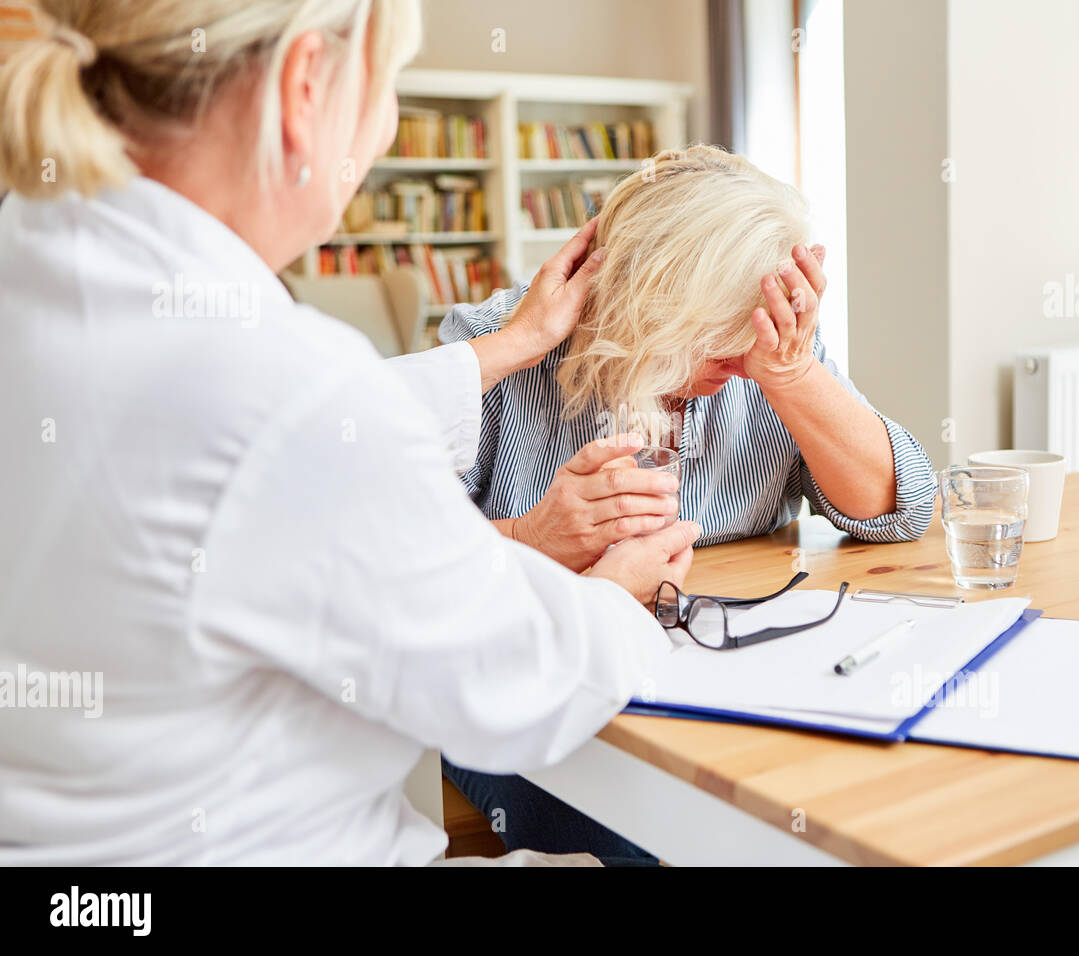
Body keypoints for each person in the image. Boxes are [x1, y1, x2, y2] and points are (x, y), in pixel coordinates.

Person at [0, 0, 697, 866]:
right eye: (390, 82)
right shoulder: (275, 387)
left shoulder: (40, 253)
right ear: (303, 88)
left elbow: (290, 444)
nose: (387, 120)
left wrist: (513, 343)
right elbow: (518, 688)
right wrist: (619, 598)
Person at [439, 145, 939, 860]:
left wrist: (792, 376)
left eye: (750, 340)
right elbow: (396, 570)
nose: (740, 368)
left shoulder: (771, 346)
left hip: (726, 677)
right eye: (716, 344)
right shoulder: (497, 346)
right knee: (655, 832)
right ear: (650, 304)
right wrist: (533, 537)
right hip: (538, 691)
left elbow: (900, 507)